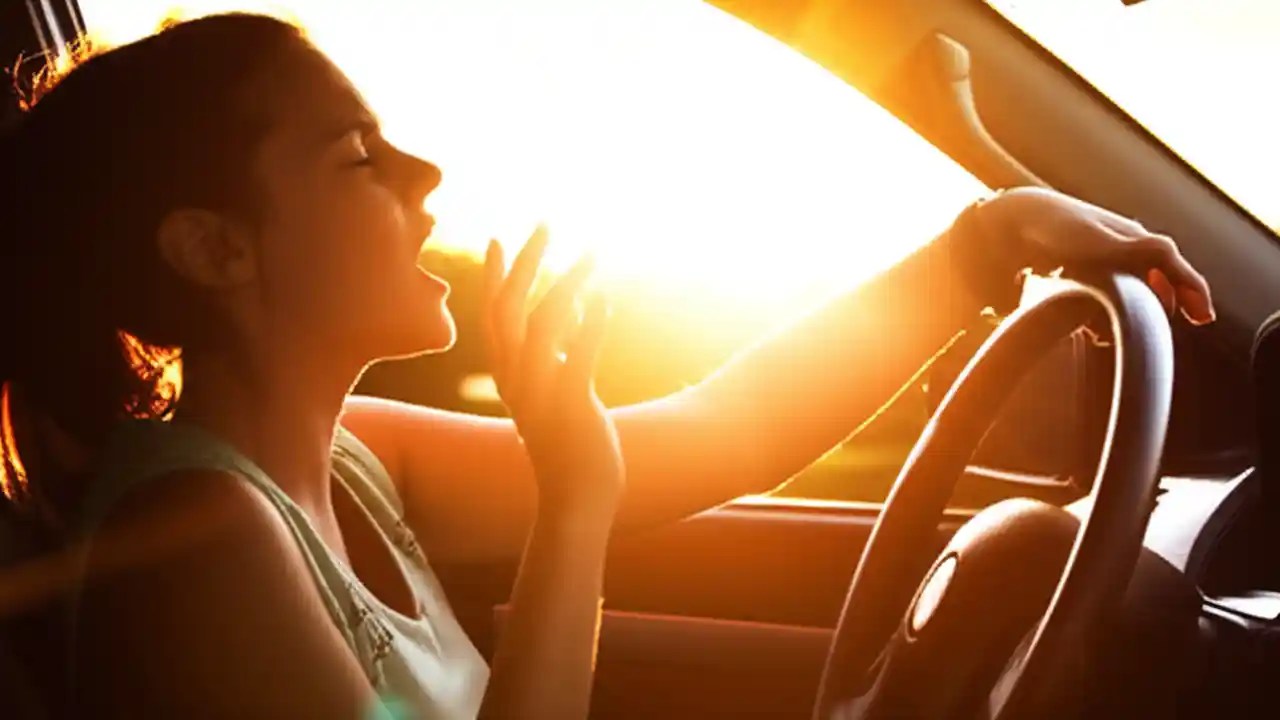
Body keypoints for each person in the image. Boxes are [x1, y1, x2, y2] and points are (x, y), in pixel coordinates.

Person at [0, 12, 1213, 720]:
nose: (422, 178)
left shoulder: (353, 455)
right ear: (215, 248)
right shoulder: (199, 537)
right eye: (358, 156)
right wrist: (575, 492)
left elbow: (721, 427)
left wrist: (979, 244)